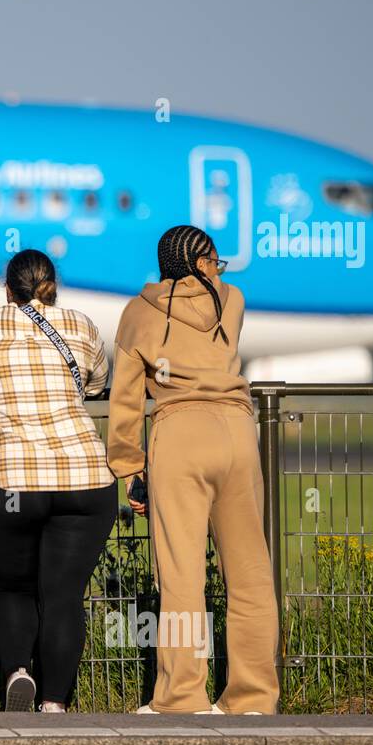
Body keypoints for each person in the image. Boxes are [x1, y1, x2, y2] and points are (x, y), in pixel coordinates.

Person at [106, 225, 279, 714]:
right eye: (216, 261)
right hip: (238, 432)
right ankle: (253, 698)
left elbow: (124, 399)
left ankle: (183, 697)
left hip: (179, 433)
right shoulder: (233, 301)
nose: (220, 269)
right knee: (249, 574)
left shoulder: (139, 313)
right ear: (202, 262)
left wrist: (128, 466)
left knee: (181, 577)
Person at [0, 249, 118, 713]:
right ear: (53, 286)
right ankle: (56, 703)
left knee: (15, 588)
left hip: (13, 480)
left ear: (7, 287)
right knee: (63, 596)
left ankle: (19, 670)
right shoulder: (80, 325)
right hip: (84, 477)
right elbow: (97, 383)